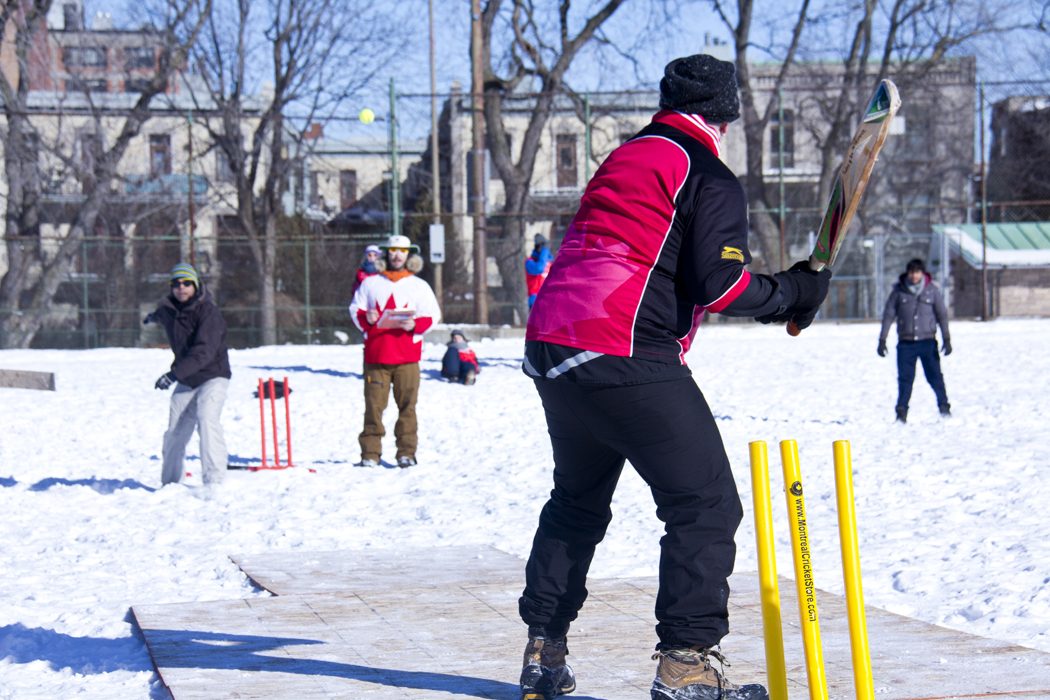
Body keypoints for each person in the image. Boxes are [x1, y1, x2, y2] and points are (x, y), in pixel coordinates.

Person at [517, 54, 831, 700]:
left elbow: (666, 264)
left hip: (553, 345)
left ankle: (543, 650)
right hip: (622, 346)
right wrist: (794, 292)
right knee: (706, 502)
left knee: (577, 501)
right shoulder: (706, 171)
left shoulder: (628, 156)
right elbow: (719, 283)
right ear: (728, 113)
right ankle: (687, 664)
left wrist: (788, 293)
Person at [349, 234, 441, 468]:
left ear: (408, 254)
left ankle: (406, 452)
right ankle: (370, 454)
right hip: (376, 356)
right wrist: (365, 317)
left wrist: (416, 325)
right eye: (392, 250)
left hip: (407, 358)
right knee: (373, 407)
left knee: (408, 407)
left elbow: (432, 315)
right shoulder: (370, 283)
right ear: (386, 253)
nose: (397, 255)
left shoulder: (419, 285)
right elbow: (355, 308)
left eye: (402, 251)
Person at [146, 263, 231, 487]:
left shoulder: (209, 313)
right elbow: (162, 315)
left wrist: (173, 375)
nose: (181, 288)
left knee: (206, 419)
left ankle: (214, 481)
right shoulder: (169, 310)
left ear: (195, 285)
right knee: (174, 432)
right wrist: (151, 317)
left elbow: (203, 352)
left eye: (186, 283)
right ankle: (170, 483)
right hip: (188, 378)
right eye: (176, 284)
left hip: (213, 375)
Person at [878, 258, 951, 422]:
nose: (914, 276)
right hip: (906, 344)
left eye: (917, 272)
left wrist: (946, 338)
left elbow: (942, 315)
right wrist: (882, 340)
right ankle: (901, 412)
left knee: (935, 376)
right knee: (905, 379)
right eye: (911, 272)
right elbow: (888, 316)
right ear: (907, 273)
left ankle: (944, 407)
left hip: (927, 342)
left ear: (922, 273)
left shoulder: (932, 291)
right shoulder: (898, 292)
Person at [525, 233, 554, 310]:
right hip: (535, 300)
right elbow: (539, 269)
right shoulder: (529, 262)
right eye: (542, 248)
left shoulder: (548, 263)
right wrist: (545, 250)